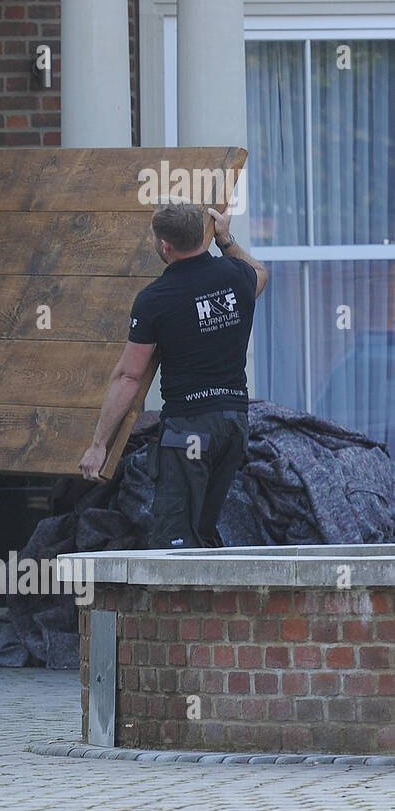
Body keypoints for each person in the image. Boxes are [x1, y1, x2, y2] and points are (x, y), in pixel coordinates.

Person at [79, 200, 269, 549]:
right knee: (203, 531)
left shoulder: (156, 299)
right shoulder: (235, 276)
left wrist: (98, 444)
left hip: (189, 430)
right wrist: (226, 240)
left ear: (165, 246)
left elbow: (129, 378)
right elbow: (260, 273)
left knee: (175, 541)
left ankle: (177, 600)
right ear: (203, 235)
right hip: (233, 425)